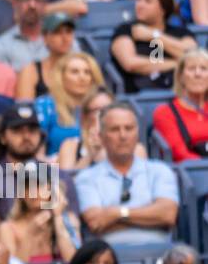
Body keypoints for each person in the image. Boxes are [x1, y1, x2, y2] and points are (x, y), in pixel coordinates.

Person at [74, 102, 180, 246]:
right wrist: (152, 217)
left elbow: (167, 215)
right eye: (114, 129)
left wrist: (116, 213)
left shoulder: (160, 170)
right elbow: (96, 222)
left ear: (137, 133)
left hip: (159, 254)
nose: (123, 135)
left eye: (129, 128)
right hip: (107, 261)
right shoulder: (86, 178)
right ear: (101, 136)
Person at [0, 160, 82, 264]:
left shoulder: (68, 219)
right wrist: (30, 234)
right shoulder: (7, 228)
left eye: (39, 185)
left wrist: (58, 217)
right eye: (27, 186)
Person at [110, 0, 194, 94]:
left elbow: (193, 57)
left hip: (178, 96)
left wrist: (153, 35)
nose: (140, 5)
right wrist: (178, 63)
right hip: (136, 96)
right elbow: (130, 64)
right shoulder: (126, 30)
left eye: (147, 1)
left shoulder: (181, 33)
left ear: (163, 8)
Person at [36, 51, 105, 156]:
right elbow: (36, 154)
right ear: (61, 76)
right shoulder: (45, 105)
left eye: (87, 72)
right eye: (74, 72)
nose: (82, 77)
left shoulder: (102, 105)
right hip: (54, 169)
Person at [151, 48, 208, 161]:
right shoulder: (165, 112)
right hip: (191, 174)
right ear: (181, 76)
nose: (198, 74)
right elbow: (179, 154)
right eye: (191, 69)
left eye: (204, 69)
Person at [0, 0, 54, 73]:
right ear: (15, 4)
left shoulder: (64, 41)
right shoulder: (1, 46)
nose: (32, 5)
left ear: (45, 4)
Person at [14, 11, 78, 102]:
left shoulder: (84, 68)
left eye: (69, 31)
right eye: (57, 32)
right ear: (45, 37)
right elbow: (24, 109)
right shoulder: (31, 71)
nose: (64, 38)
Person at [58, 89, 118, 170]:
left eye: (108, 109)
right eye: (96, 110)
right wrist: (91, 153)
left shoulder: (132, 147)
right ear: (85, 117)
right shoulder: (70, 146)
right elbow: (66, 181)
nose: (102, 114)